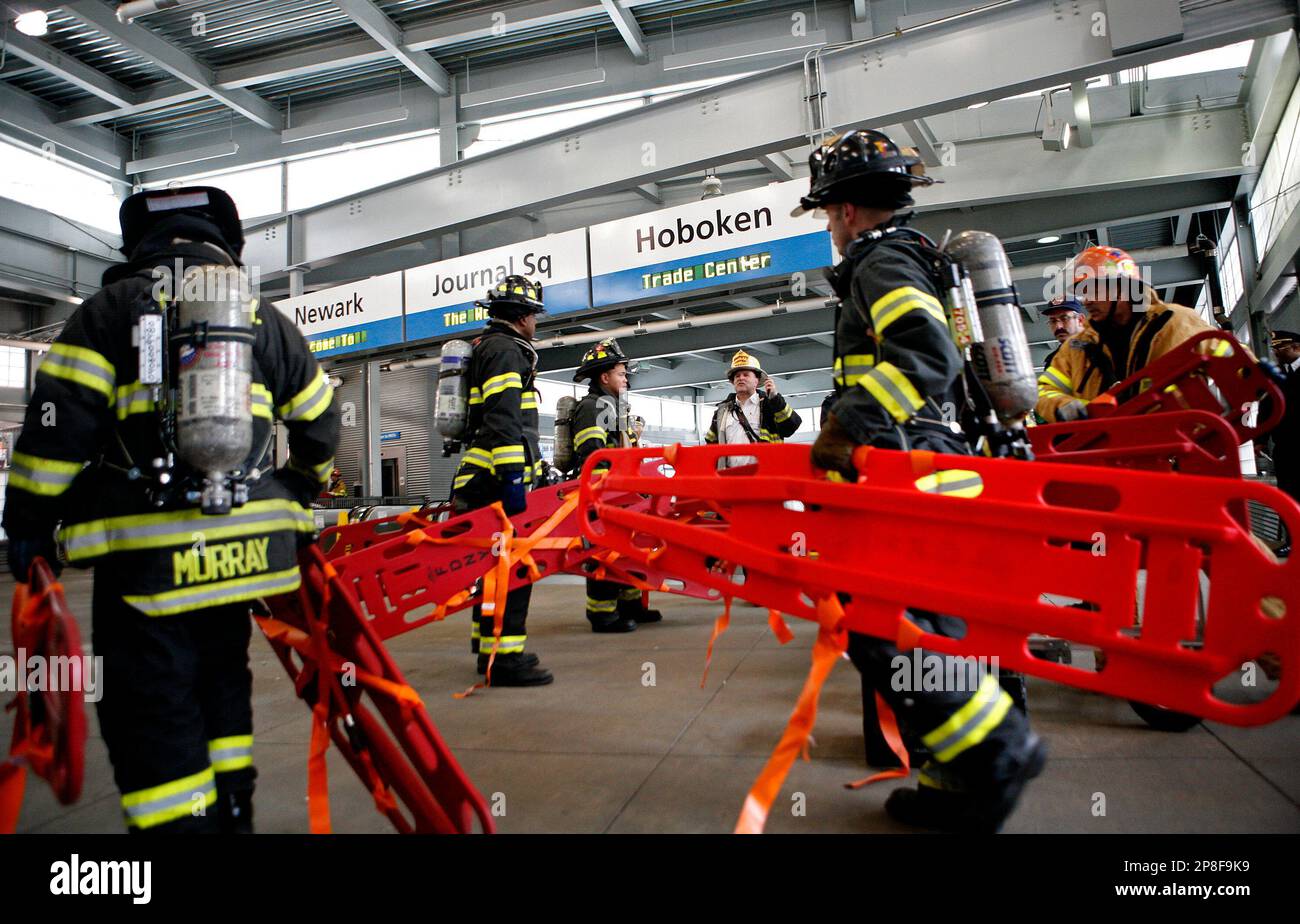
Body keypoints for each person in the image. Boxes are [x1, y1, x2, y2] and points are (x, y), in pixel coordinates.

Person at [3, 186, 341, 833]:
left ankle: (179, 825)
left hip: (148, 570)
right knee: (221, 683)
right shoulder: (260, 316)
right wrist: (299, 486)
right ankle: (232, 809)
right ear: (226, 243)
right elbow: (320, 423)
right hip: (241, 563)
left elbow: (56, 431)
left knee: (153, 707)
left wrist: (26, 522)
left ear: (139, 245)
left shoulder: (110, 310)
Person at [797, 128, 1045, 832]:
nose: (830, 227)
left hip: (907, 470)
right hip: (934, 466)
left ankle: (998, 749)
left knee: (882, 629)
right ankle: (951, 787)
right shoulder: (919, 257)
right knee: (936, 632)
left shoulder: (882, 260)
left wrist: (847, 424)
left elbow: (926, 355)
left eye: (826, 214)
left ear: (845, 210)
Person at [449, 275, 552, 685]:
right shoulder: (507, 351)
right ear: (525, 316)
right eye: (535, 316)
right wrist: (513, 477)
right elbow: (504, 418)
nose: (536, 324)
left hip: (479, 475)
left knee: (491, 568)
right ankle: (505, 658)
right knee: (513, 566)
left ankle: (488, 651)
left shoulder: (487, 348)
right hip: (495, 478)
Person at [1036, 246, 1226, 423]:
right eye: (1084, 293)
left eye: (1093, 290)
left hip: (1181, 446)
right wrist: (1064, 406)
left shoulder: (1176, 322)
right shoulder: (1076, 347)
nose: (1086, 301)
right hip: (1113, 452)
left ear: (1122, 288)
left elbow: (1233, 359)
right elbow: (1044, 391)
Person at [570, 338, 662, 632]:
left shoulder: (615, 407)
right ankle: (603, 615)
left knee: (627, 550)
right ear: (604, 376)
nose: (626, 379)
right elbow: (593, 455)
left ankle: (631, 605)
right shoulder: (591, 407)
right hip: (603, 496)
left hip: (624, 495)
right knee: (603, 552)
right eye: (622, 374)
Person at [703, 349, 802, 466]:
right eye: (737, 376)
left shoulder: (770, 405)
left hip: (765, 476)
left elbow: (791, 427)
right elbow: (710, 445)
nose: (741, 378)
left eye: (746, 375)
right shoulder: (722, 411)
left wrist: (775, 399)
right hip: (730, 478)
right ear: (732, 382)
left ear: (757, 381)